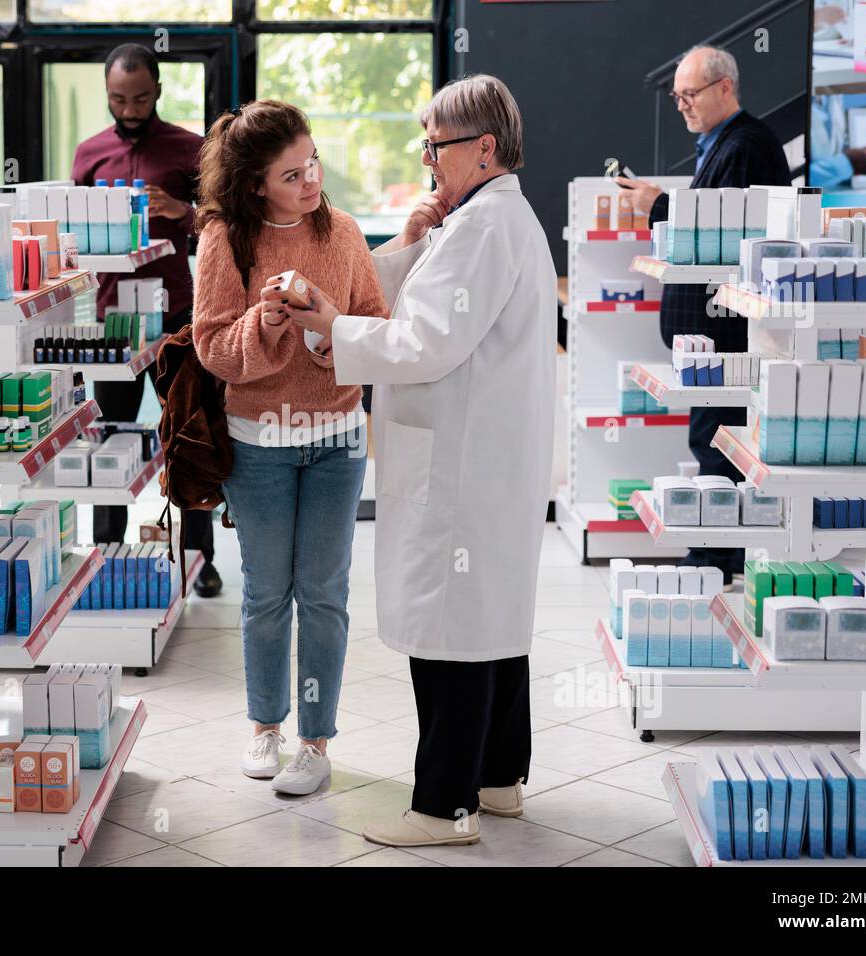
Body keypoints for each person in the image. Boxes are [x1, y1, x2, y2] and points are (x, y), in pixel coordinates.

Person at [291, 74, 556, 847]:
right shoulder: (489, 220)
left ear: (484, 147)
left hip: (462, 466)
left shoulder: (483, 228)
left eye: (434, 145)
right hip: (486, 459)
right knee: (493, 622)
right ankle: (498, 779)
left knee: (453, 635)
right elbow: (422, 294)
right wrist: (408, 244)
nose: (427, 159)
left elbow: (424, 342)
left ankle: (443, 807)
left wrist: (337, 327)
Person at [192, 100, 389, 795]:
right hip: (259, 442)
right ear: (255, 185)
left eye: (313, 164)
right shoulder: (223, 239)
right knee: (266, 593)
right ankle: (264, 728)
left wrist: (330, 326)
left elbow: (375, 326)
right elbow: (213, 346)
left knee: (325, 594)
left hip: (337, 440)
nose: (311, 181)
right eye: (291, 173)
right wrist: (261, 321)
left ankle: (314, 743)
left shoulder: (342, 233)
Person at [615, 46, 791, 582]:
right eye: (677, 96)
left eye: (690, 94)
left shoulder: (744, 146)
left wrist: (659, 206)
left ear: (725, 88)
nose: (682, 105)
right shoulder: (723, 144)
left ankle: (716, 556)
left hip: (725, 330)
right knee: (713, 437)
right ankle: (716, 552)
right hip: (712, 332)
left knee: (719, 440)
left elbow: (721, 240)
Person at [71, 43, 222, 598]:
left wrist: (179, 210)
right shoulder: (88, 155)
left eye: (139, 98)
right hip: (112, 320)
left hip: (176, 313)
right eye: (117, 98)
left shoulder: (189, 148)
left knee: (190, 434)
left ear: (157, 89)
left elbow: (218, 223)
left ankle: (200, 559)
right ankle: (103, 555)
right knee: (108, 439)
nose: (129, 108)